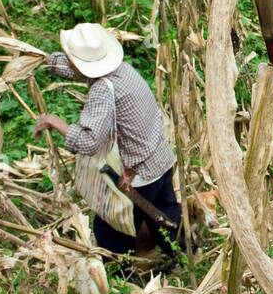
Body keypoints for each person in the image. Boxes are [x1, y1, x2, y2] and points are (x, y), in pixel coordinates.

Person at [32, 22, 182, 269]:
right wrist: (41, 60)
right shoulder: (123, 70)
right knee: (166, 219)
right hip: (161, 158)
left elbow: (90, 142)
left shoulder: (103, 90)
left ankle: (122, 280)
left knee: (112, 230)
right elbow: (77, 69)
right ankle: (185, 262)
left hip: (139, 175)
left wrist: (55, 123)